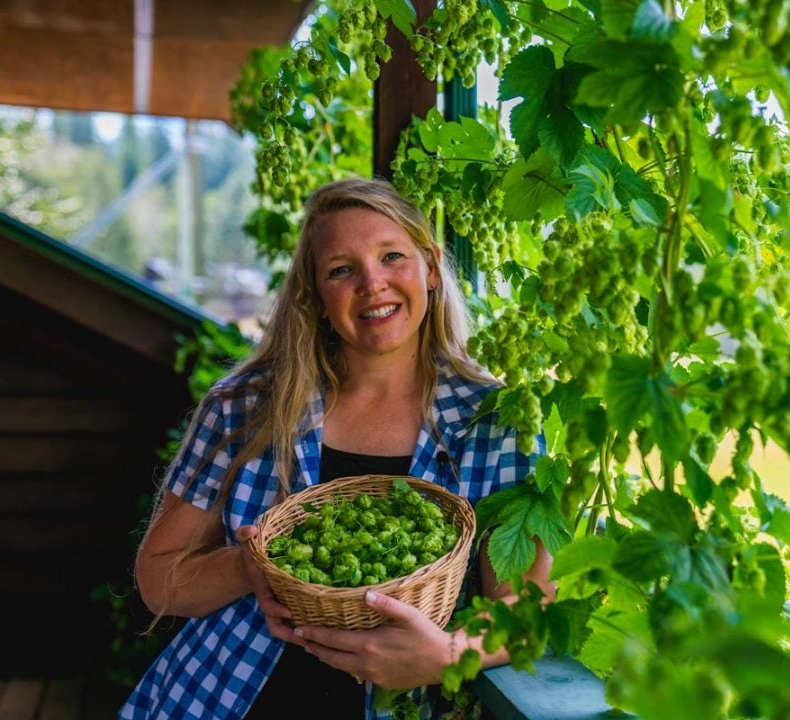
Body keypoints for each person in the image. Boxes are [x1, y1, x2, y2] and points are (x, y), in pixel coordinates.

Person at [120, 178, 554, 719]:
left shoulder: (495, 422)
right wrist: (245, 569)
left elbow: (528, 608)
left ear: (430, 267)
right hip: (224, 698)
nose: (372, 283)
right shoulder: (242, 408)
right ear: (316, 297)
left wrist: (447, 655)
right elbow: (158, 579)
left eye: (392, 256)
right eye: (341, 270)